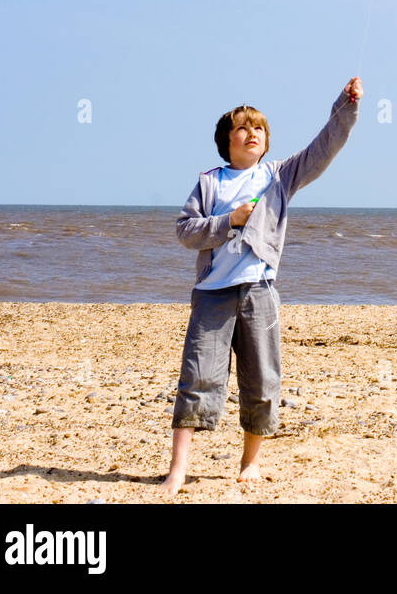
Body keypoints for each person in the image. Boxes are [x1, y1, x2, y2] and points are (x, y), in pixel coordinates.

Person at [158, 76, 362, 495]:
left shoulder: (279, 176)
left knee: (263, 380)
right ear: (226, 140)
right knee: (197, 378)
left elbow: (325, 146)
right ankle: (177, 470)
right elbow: (185, 232)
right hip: (213, 294)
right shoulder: (210, 182)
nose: (251, 133)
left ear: (266, 142)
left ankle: (250, 462)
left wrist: (346, 105)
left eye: (259, 128)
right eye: (242, 127)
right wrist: (228, 221)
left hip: (260, 291)